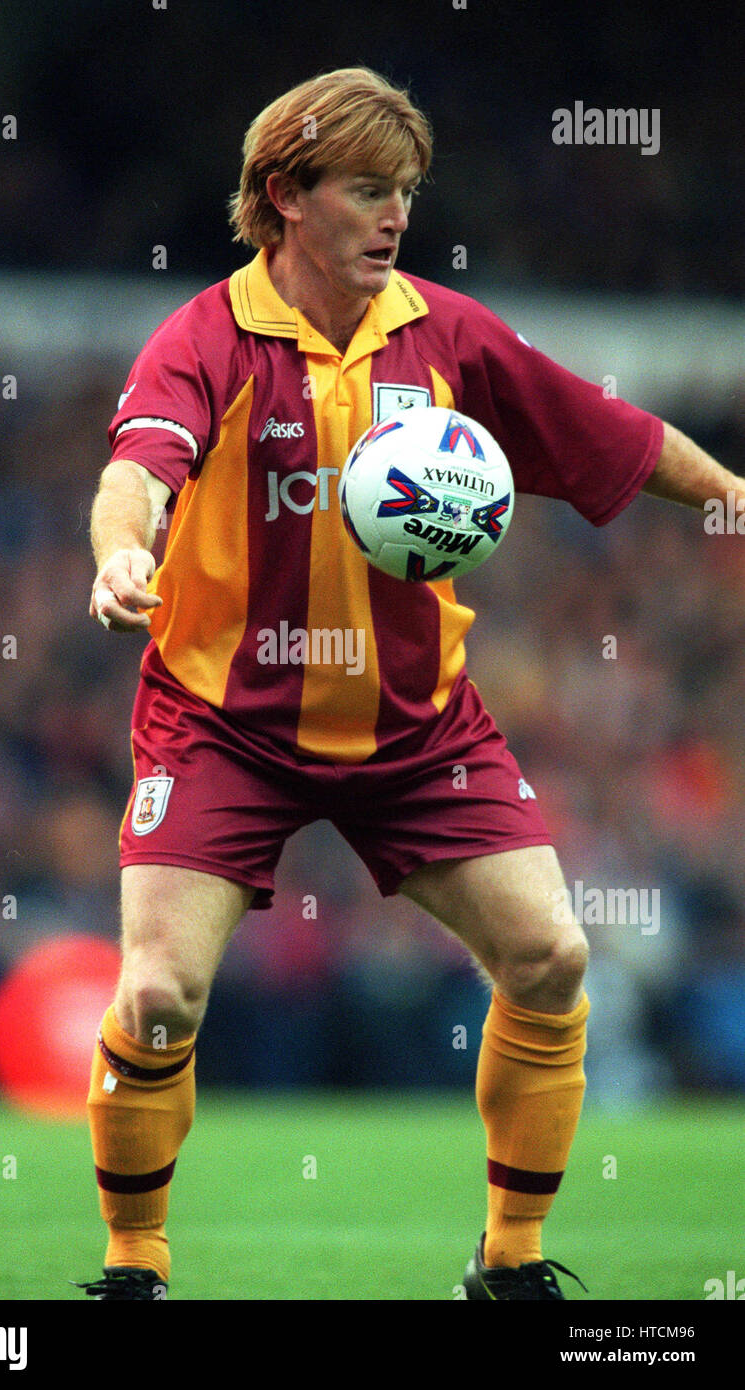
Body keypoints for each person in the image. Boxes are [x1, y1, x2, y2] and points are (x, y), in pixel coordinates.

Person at [77, 67, 744, 1301]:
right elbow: (139, 469)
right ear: (284, 195)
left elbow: (608, 431)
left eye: (406, 193)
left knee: (548, 958)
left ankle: (509, 1264)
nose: (395, 216)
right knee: (160, 993)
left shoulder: (444, 332)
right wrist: (125, 549)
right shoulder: (204, 339)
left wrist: (727, 496)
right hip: (221, 721)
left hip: (414, 725)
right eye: (368, 191)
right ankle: (133, 1265)